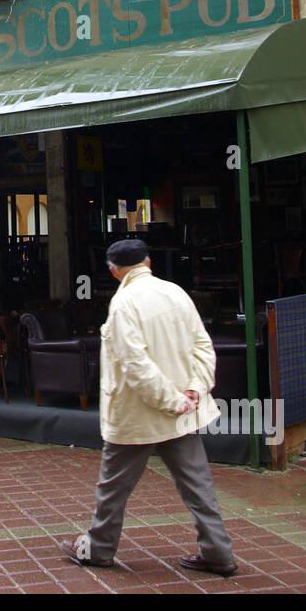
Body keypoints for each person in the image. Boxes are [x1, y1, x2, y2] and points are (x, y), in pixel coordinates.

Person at [62, 238, 237, 576]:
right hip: (184, 412)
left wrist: (171, 402)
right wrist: (193, 391)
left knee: (112, 489)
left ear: (114, 272)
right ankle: (219, 553)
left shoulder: (123, 303)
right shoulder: (176, 293)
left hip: (138, 417)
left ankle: (98, 549)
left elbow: (134, 364)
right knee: (198, 487)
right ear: (148, 263)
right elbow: (204, 345)